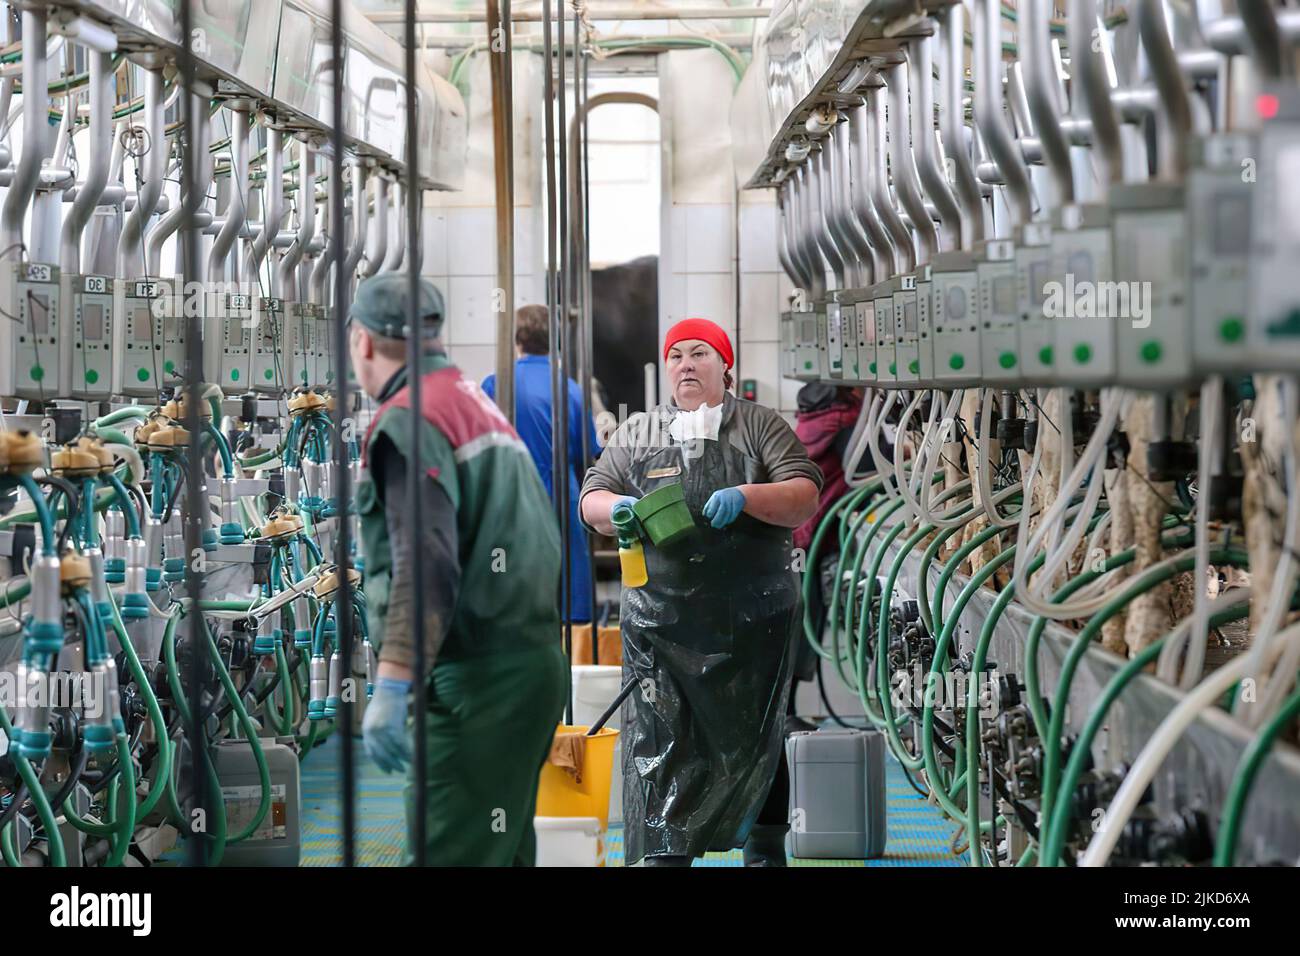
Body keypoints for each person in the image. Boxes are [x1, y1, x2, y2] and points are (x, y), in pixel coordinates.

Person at [579, 316, 822, 866]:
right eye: (677, 356)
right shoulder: (639, 431)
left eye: (701, 354)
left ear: (724, 366)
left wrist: (747, 495)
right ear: (666, 369)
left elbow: (804, 493)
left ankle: (764, 850)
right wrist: (611, 511)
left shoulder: (759, 425)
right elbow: (591, 494)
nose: (687, 364)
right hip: (663, 623)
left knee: (758, 735)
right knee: (663, 738)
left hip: (750, 620)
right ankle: (667, 852)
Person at [350, 273, 568, 866]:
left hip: (479, 682)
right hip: (527, 668)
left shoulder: (409, 420)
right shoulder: (469, 400)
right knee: (501, 849)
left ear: (363, 342)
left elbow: (427, 567)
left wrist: (393, 682)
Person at [483, 304, 600, 622]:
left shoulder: (495, 385)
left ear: (515, 340)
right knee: (563, 606)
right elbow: (588, 453)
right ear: (555, 341)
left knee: (511, 605)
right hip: (560, 499)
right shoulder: (571, 389)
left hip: (511, 500)